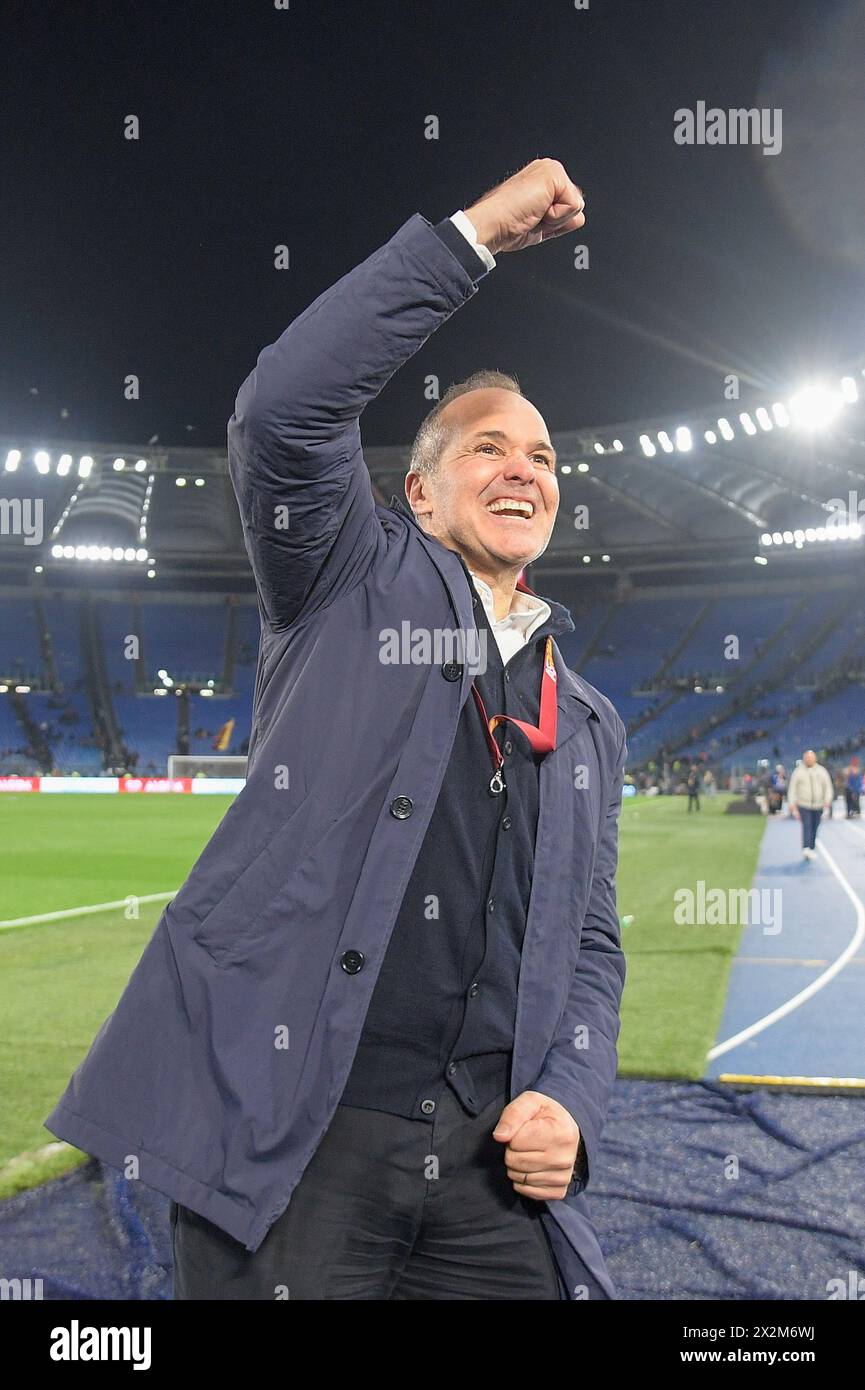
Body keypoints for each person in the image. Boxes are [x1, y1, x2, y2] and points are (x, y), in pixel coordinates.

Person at [44, 160, 627, 1301]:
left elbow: (591, 948)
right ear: (415, 495)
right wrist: (470, 242)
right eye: (486, 447)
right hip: (298, 1146)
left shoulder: (593, 721)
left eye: (544, 456)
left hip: (487, 1169)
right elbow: (284, 407)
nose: (524, 467)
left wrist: (571, 1093)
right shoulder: (347, 577)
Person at [787, 749, 834, 861]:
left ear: (815, 759)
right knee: (807, 826)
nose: (809, 759)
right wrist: (792, 804)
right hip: (804, 804)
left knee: (815, 827)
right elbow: (792, 788)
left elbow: (827, 787)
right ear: (804, 759)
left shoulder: (821, 771)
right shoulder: (798, 772)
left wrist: (827, 801)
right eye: (807, 758)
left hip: (818, 805)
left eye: (811, 757)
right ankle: (806, 848)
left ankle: (811, 847)